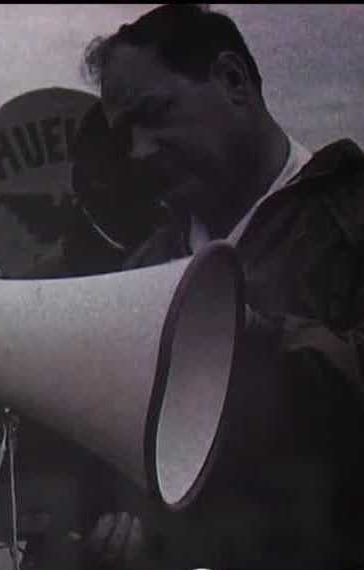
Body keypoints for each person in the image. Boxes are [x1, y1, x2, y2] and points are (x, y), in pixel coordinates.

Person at [85, 4, 364, 567]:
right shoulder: (144, 267)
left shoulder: (353, 219)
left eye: (157, 112)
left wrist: (236, 332)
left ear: (233, 81)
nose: (138, 151)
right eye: (125, 133)